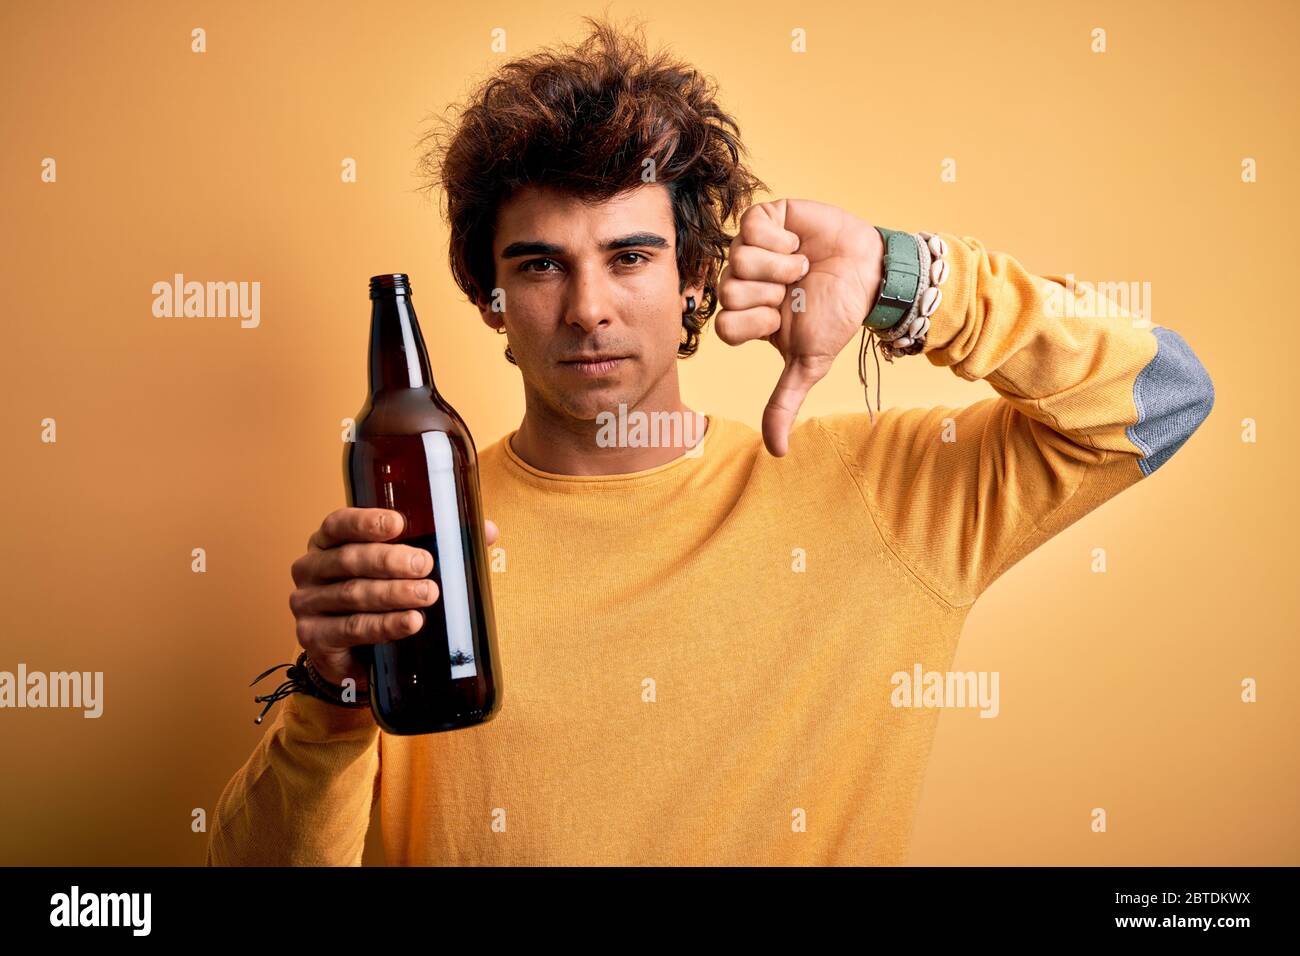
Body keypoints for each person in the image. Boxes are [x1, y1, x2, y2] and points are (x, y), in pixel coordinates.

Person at [206, 17, 1213, 866]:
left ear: (694, 277)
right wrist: (330, 692)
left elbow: (1164, 394)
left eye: (631, 256)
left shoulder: (879, 497)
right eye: (542, 266)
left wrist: (906, 281)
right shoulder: (421, 554)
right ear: (489, 299)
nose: (590, 309)